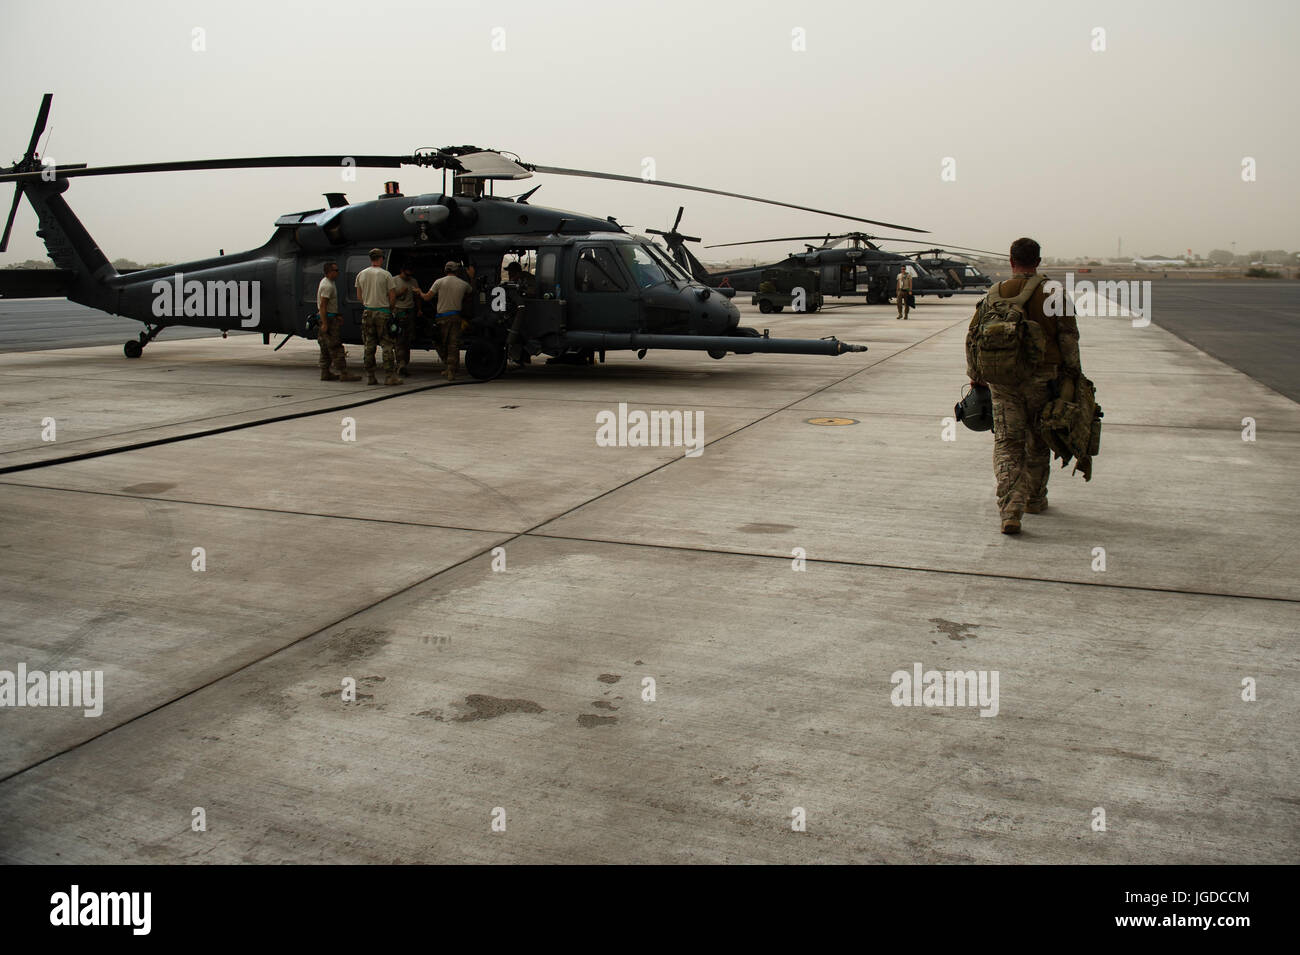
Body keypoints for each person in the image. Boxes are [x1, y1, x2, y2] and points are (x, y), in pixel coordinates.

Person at [967, 237, 1082, 535]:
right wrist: (1073, 376)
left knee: (1007, 443)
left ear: (1011, 261)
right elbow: (1069, 338)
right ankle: (1034, 498)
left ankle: (1010, 509)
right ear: (1039, 261)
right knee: (1038, 438)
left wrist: (976, 376)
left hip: (1003, 381)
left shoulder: (995, 292)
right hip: (1043, 379)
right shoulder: (1053, 292)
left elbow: (973, 338)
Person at [416, 261, 472, 380]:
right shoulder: (464, 284)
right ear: (457, 271)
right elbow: (472, 293)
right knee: (454, 344)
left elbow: (426, 297)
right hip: (456, 317)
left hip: (442, 317)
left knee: (439, 343)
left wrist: (419, 292)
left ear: (446, 270)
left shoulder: (439, 282)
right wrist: (471, 277)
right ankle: (451, 369)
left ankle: (448, 366)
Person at [354, 248, 400, 385]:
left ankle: (370, 376)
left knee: (369, 345)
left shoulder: (361, 274)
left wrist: (369, 304)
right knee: (387, 345)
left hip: (368, 312)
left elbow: (359, 297)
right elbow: (392, 297)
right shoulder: (386, 275)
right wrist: (389, 310)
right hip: (383, 312)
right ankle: (389, 376)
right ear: (380, 259)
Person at [316, 262, 360, 381]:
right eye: (336, 270)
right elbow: (323, 305)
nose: (338, 272)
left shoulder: (328, 282)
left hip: (328, 316)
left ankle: (325, 372)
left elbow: (327, 306)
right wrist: (325, 323)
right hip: (328, 319)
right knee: (335, 346)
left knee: (325, 347)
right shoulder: (327, 286)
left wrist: (337, 315)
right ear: (329, 272)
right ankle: (344, 372)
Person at [391, 262, 421, 377]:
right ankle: (400, 364)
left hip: (410, 312)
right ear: (401, 271)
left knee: (408, 340)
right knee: (399, 339)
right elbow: (390, 296)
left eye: (410, 275)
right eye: (406, 275)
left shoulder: (413, 281)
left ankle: (404, 364)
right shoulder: (394, 281)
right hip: (399, 312)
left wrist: (419, 309)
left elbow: (417, 297)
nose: (408, 277)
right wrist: (400, 293)